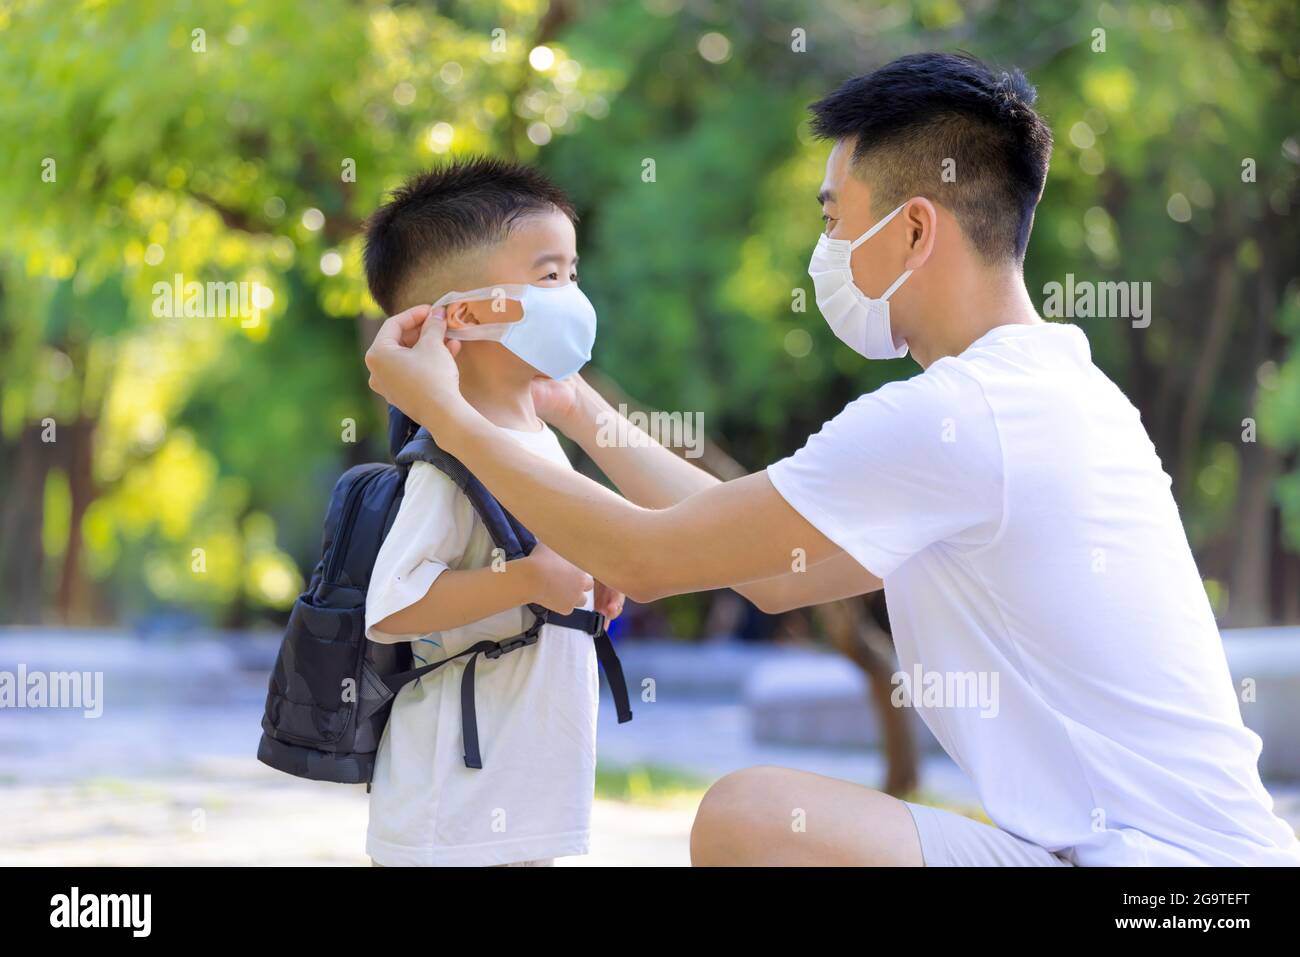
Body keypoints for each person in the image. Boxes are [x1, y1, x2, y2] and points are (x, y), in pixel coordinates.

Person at [364, 54, 1300, 866]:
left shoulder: (957, 416)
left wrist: (446, 414)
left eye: (833, 217)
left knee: (754, 823)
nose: (827, 250)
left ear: (916, 229)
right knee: (767, 818)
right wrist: (575, 411)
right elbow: (769, 573)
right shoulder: (1043, 390)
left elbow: (648, 559)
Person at [359, 159, 624, 867]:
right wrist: (530, 581)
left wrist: (590, 568)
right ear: (467, 313)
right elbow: (392, 605)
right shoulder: (447, 461)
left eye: (572, 274)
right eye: (549, 277)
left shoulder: (534, 438)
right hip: (455, 815)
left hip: (525, 802)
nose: (572, 296)